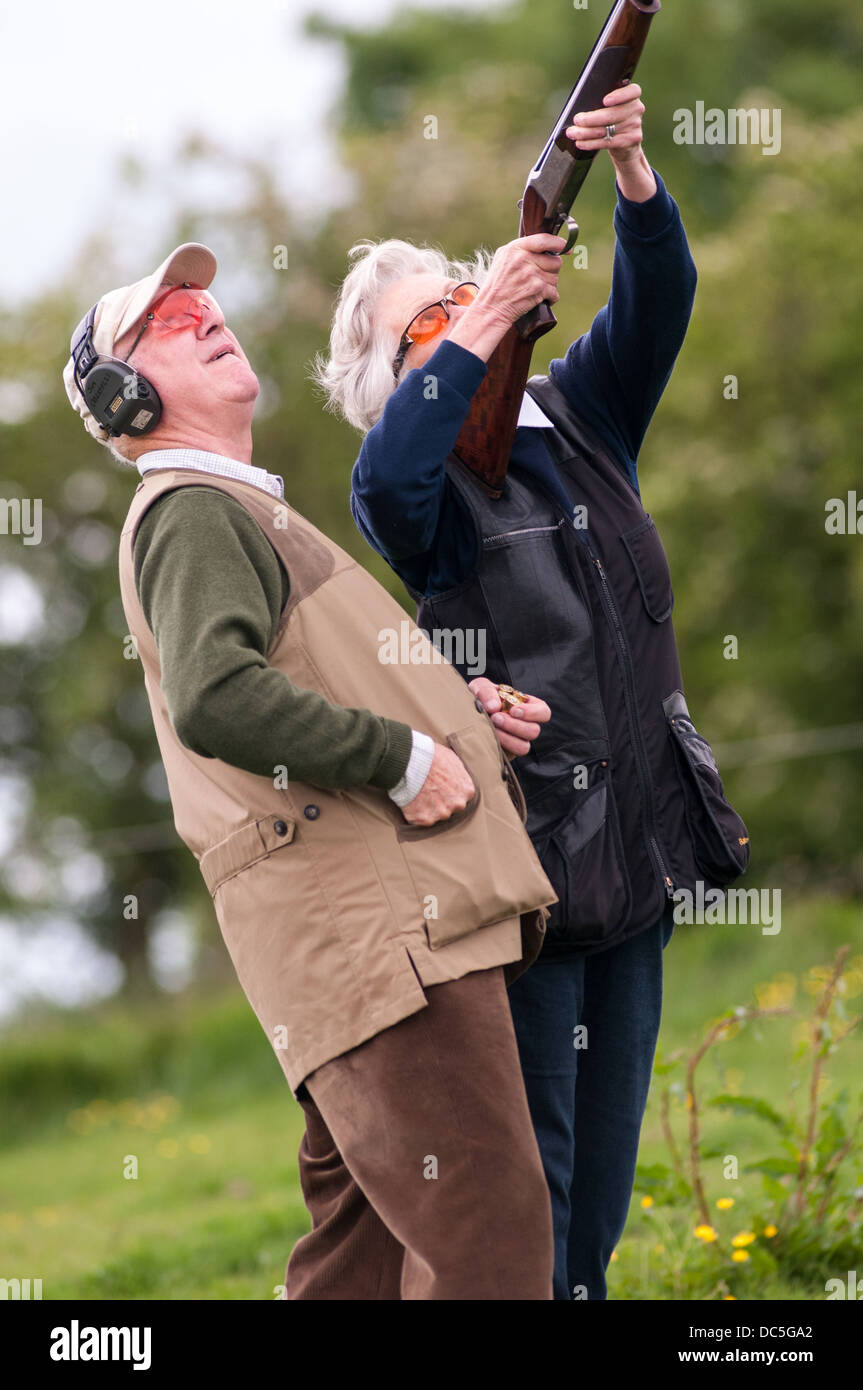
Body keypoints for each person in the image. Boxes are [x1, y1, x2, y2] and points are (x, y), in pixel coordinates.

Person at [316, 83, 750, 1300]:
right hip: (528, 885)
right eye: (427, 326)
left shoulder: (579, 421)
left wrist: (629, 173)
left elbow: (658, 300)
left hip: (640, 858)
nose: (463, 322)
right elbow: (387, 465)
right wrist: (477, 325)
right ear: (392, 376)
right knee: (539, 1206)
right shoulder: (413, 492)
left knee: (600, 1201)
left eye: (468, 298)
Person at [62, 242, 559, 1300]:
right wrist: (401, 754)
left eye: (203, 299)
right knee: (490, 1244)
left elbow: (290, 676)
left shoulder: (235, 509)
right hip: (381, 946)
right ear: (124, 396)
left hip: (352, 948)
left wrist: (449, 712)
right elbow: (217, 695)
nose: (202, 313)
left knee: (355, 1266)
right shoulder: (194, 510)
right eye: (163, 320)